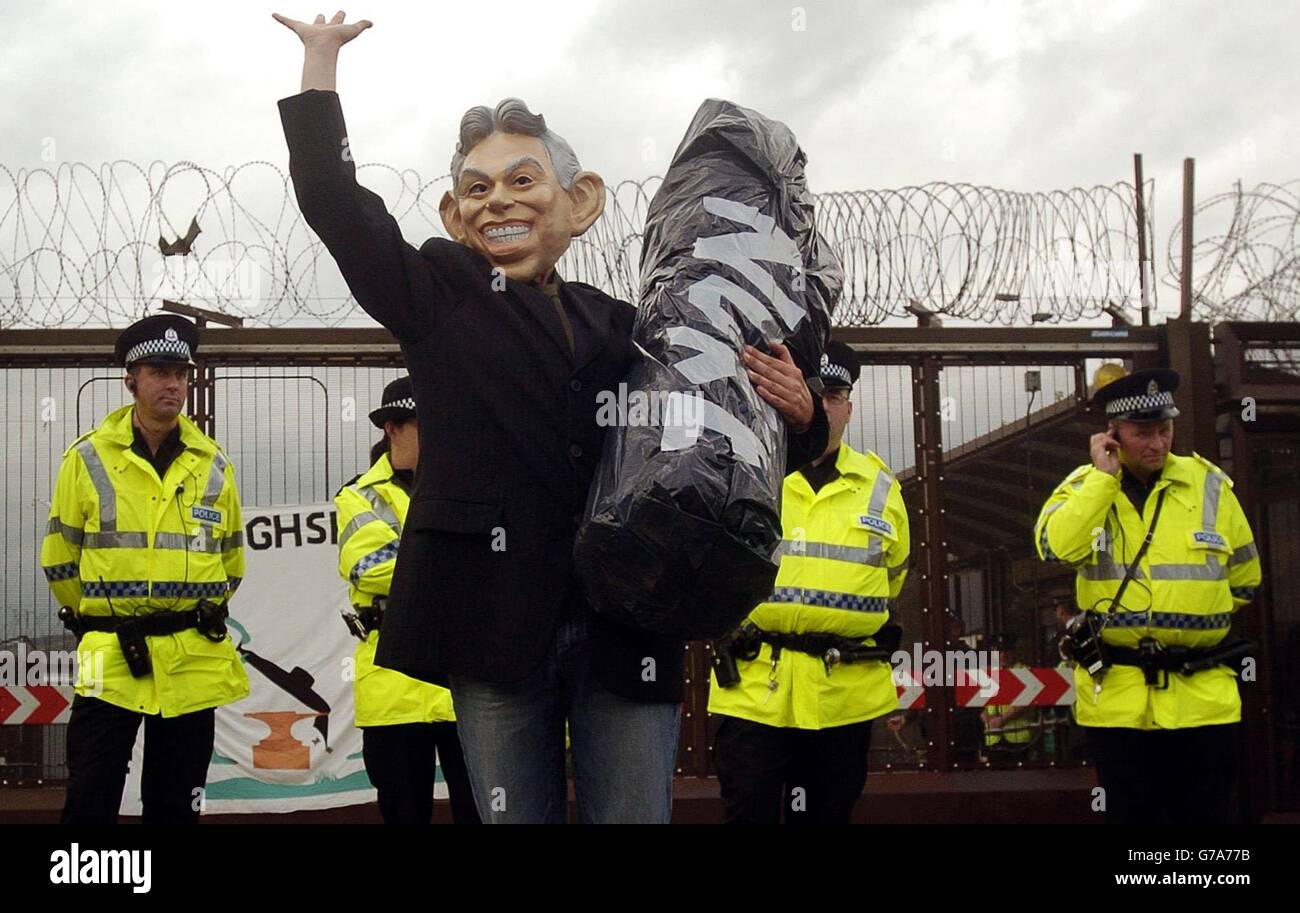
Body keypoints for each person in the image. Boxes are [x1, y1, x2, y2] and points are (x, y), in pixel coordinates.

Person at [273, 12, 829, 823]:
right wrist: (319, 63)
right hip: (493, 630)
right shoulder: (436, 297)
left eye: (523, 180)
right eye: (477, 188)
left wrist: (805, 416)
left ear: (580, 202)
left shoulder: (632, 326)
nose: (500, 199)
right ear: (453, 216)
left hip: (627, 624)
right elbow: (332, 200)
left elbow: (720, 439)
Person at [41, 314, 248, 824]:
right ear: (131, 380)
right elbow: (59, 559)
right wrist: (97, 620)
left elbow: (231, 564)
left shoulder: (214, 464)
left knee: (176, 801)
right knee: (91, 793)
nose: (173, 383)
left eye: (181, 372)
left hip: (192, 657)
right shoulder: (85, 458)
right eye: (159, 371)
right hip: (108, 654)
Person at [1033, 367, 1262, 824]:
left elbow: (1245, 580)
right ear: (1112, 433)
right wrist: (1102, 481)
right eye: (1143, 432)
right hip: (1118, 701)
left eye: (1164, 429)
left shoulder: (1210, 486)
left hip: (1202, 700)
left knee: (1205, 820)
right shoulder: (1081, 488)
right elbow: (1058, 548)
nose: (1157, 443)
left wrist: (1188, 621)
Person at [708, 341, 908, 823]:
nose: (823, 405)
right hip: (756, 689)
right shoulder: (750, 471)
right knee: (748, 813)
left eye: (835, 394)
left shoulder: (883, 488)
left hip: (843, 695)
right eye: (813, 390)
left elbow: (892, 579)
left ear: (849, 406)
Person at [335, 377, 479, 823]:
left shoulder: (469, 489)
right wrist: (456, 563)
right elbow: (371, 569)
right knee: (403, 814)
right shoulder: (357, 495)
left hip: (463, 686)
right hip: (392, 686)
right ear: (392, 428)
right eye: (424, 424)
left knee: (481, 813)